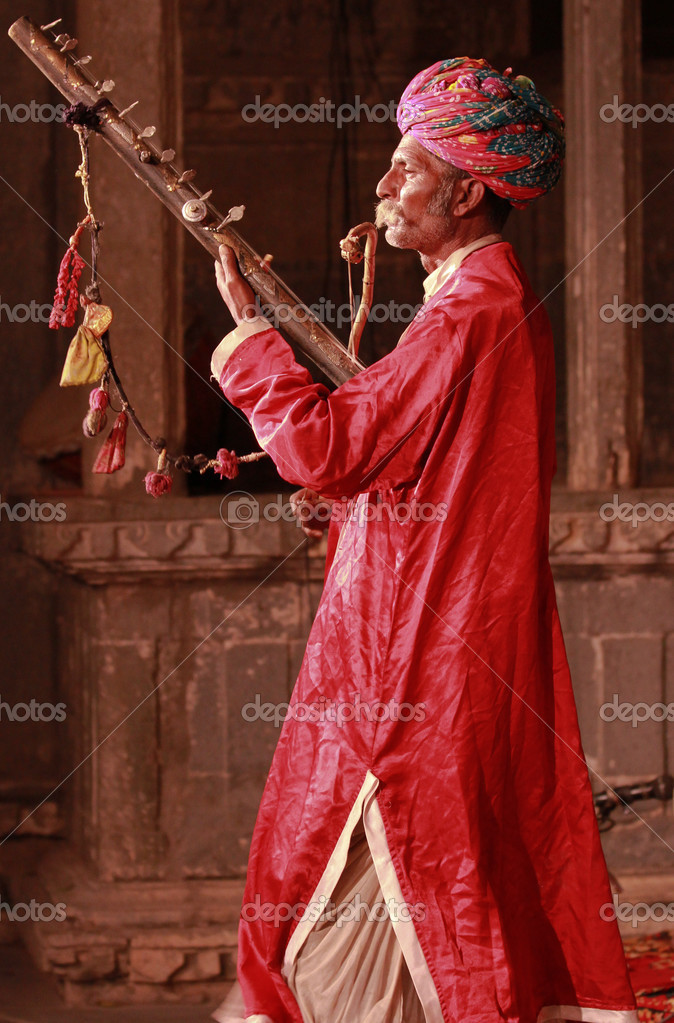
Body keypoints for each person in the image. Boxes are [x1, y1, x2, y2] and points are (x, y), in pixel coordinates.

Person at [210, 57, 638, 1023]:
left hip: (414, 655)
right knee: (400, 869)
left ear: (468, 188)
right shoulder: (477, 297)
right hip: (428, 631)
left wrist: (248, 340)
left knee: (369, 874)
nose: (382, 186)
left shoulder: (470, 309)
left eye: (406, 167)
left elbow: (325, 445)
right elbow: (410, 470)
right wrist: (352, 505)